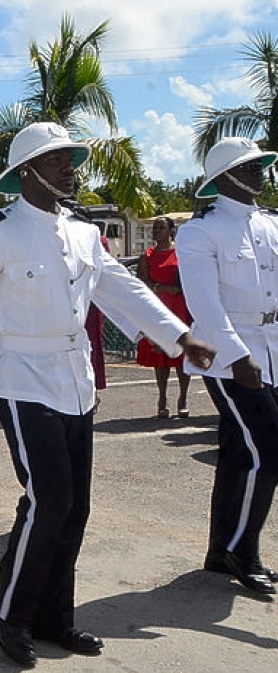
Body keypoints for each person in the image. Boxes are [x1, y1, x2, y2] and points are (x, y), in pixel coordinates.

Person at [0, 122, 215, 669]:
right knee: (49, 500)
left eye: (71, 158)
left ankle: (55, 619)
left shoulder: (80, 230)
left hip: (74, 378)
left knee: (76, 508)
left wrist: (179, 335)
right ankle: (13, 614)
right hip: (21, 377)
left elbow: (121, 287)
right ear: (26, 171)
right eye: (57, 160)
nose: (71, 167)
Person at [177, 136, 278, 596]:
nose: (259, 173)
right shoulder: (200, 231)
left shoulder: (271, 224)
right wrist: (238, 357)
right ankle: (244, 550)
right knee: (268, 450)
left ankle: (220, 551)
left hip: (273, 346)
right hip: (230, 358)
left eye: (259, 166)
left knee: (240, 453)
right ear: (222, 179)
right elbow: (205, 303)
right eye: (249, 167)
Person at [137, 216, 192, 418]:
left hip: (179, 307)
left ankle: (183, 398)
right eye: (155, 228)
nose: (156, 231)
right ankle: (162, 398)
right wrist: (163, 288)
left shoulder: (182, 253)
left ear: (171, 231)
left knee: (180, 354)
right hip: (158, 307)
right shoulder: (148, 255)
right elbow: (142, 282)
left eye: (161, 227)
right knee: (160, 356)